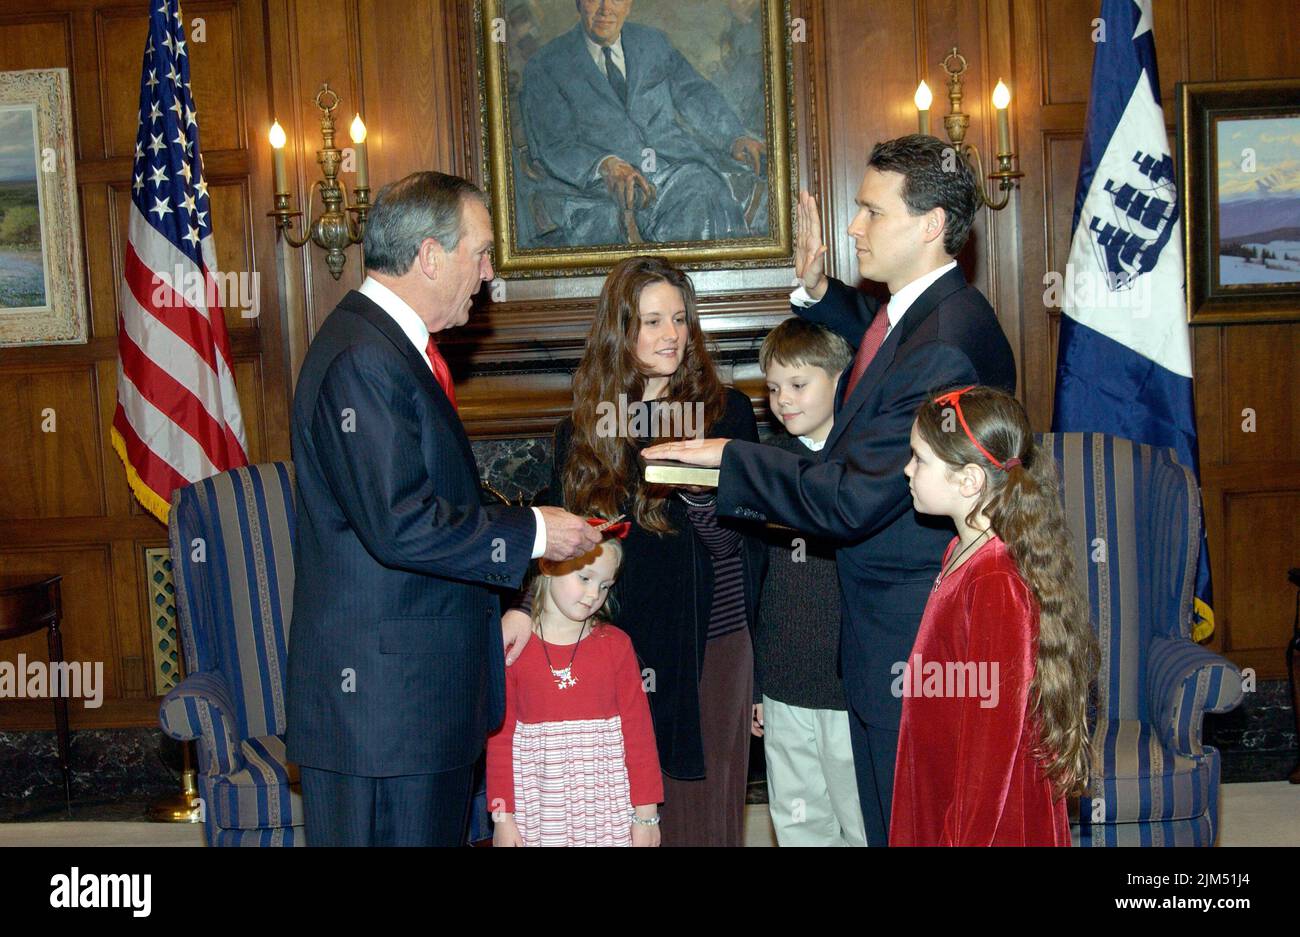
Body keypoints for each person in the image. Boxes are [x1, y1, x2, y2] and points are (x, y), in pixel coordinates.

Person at [642, 135, 1017, 846]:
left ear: (932, 223)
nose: (853, 227)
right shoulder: (931, 312)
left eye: (872, 212)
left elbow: (851, 500)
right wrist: (818, 295)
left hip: (911, 634)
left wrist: (734, 458)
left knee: (907, 824)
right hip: (895, 622)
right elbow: (882, 343)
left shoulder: (944, 344)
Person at [285, 171, 601, 847]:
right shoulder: (363, 360)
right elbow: (402, 524)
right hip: (384, 714)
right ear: (430, 256)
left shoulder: (393, 348)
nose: (488, 273)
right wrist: (535, 529)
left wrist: (509, 599)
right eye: (480, 253)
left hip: (415, 703)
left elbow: (440, 498)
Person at [506, 255, 766, 846]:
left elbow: (745, 546)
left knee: (702, 822)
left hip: (711, 647)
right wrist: (524, 607)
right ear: (620, 331)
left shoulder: (728, 415)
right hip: (615, 650)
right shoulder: (585, 429)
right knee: (613, 817)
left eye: (679, 319)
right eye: (651, 321)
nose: (671, 335)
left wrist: (702, 493)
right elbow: (556, 538)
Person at [892, 385, 1097, 845]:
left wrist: (962, 835)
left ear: (968, 481)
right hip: (945, 787)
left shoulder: (995, 579)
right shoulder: (960, 551)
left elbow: (993, 745)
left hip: (984, 819)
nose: (906, 469)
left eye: (919, 459)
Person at [518, 0, 766, 246]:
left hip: (680, 167)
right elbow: (555, 145)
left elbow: (693, 93)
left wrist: (734, 136)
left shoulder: (653, 43)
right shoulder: (546, 65)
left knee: (721, 191)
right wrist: (605, 164)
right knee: (702, 194)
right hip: (606, 190)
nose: (606, 9)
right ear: (579, 3)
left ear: (629, 3)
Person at [752, 318, 866, 847]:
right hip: (783, 680)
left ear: (841, 379)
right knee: (799, 823)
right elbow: (756, 577)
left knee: (862, 818)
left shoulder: (869, 463)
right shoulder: (769, 462)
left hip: (850, 687)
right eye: (773, 388)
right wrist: (757, 685)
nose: (783, 400)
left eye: (799, 385)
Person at [488, 523, 663, 847]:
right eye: (584, 578)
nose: (593, 595)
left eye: (605, 585)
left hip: (607, 816)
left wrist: (646, 817)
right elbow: (500, 741)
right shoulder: (515, 647)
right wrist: (502, 818)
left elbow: (639, 737)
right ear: (548, 564)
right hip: (537, 816)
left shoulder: (616, 646)